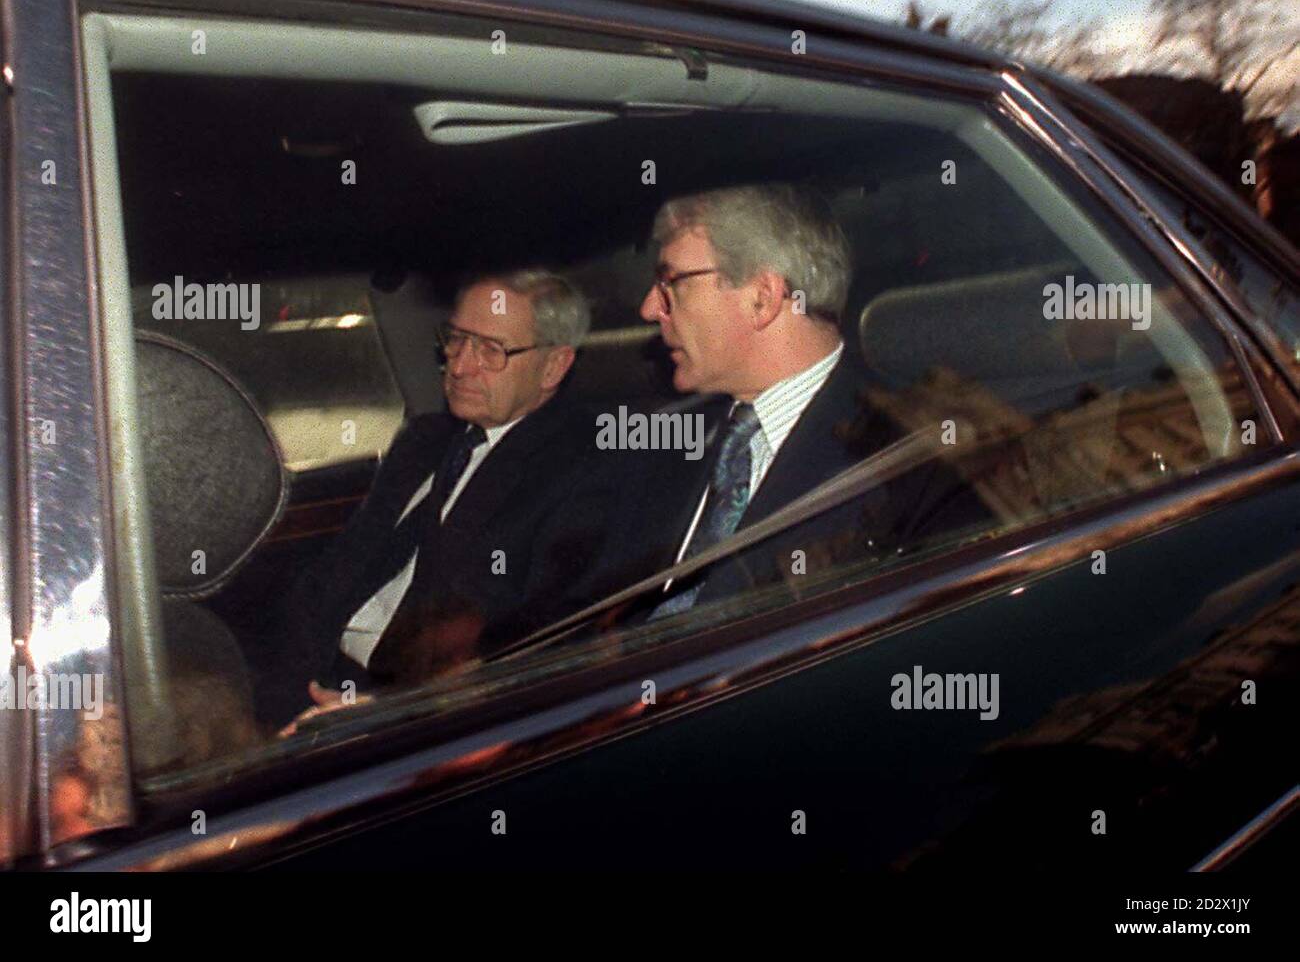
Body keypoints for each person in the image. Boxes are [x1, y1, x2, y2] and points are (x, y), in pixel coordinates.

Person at [588, 183, 986, 620]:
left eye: (671, 282)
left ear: (762, 297)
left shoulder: (912, 458)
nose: (649, 308)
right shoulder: (658, 443)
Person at [263, 269, 610, 725]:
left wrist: (392, 713)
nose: (460, 365)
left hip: (419, 714)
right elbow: (334, 573)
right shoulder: (428, 439)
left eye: (491, 350)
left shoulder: (581, 470)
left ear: (554, 366)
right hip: (316, 676)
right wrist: (277, 696)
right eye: (457, 339)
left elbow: (540, 645)